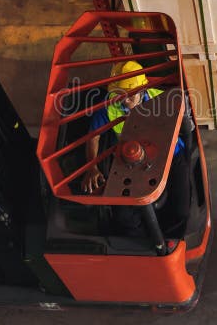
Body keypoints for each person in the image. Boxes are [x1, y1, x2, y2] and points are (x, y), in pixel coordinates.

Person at [81, 60, 191, 235]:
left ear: (142, 89)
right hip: (132, 163)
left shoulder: (162, 100)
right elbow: (93, 136)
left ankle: (170, 238)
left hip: (170, 156)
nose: (124, 100)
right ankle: (143, 243)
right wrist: (92, 167)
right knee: (123, 218)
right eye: (119, 94)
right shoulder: (110, 107)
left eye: (130, 94)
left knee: (182, 211)